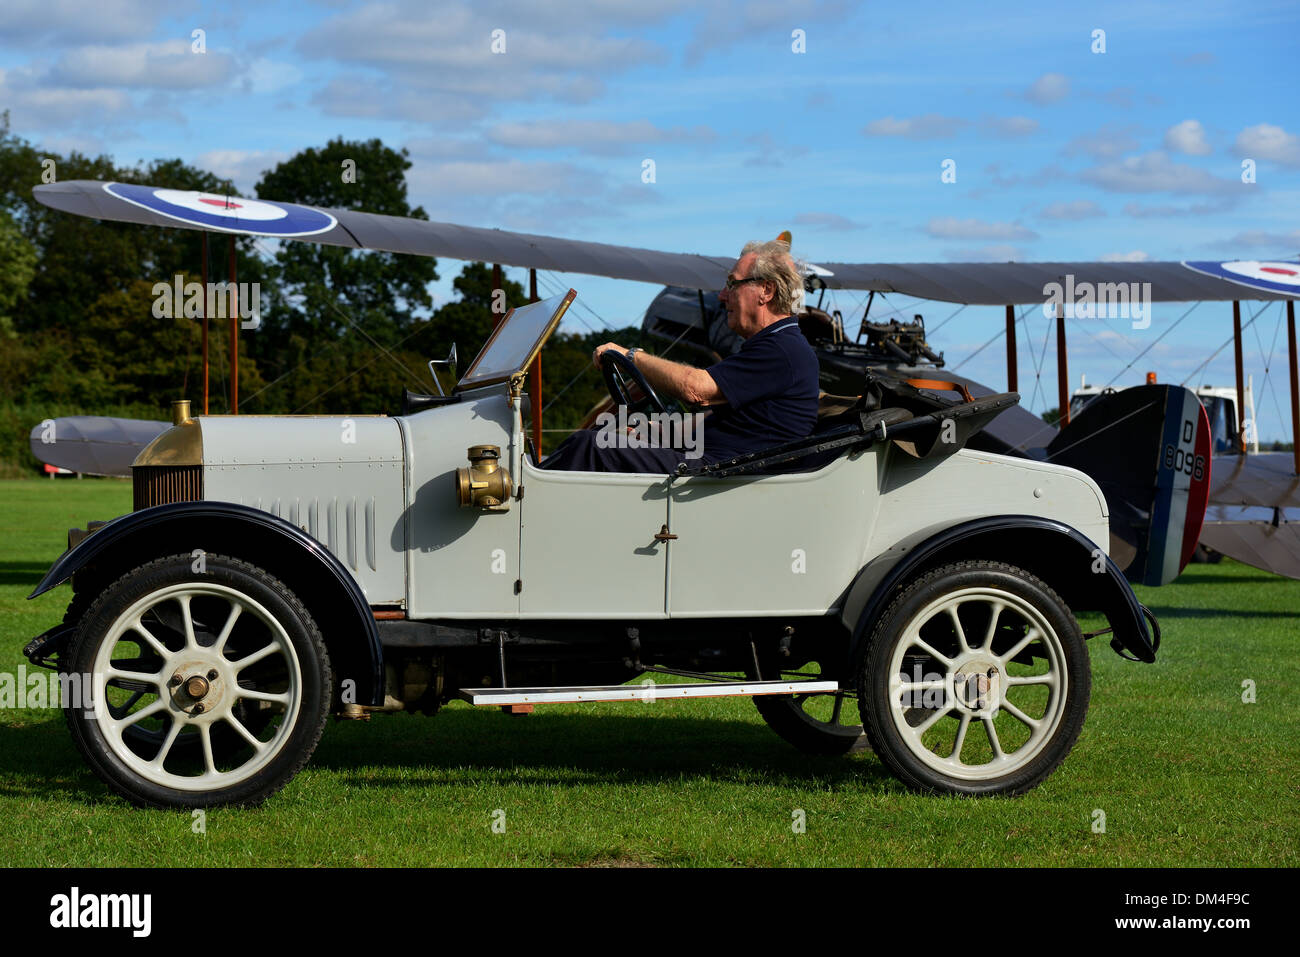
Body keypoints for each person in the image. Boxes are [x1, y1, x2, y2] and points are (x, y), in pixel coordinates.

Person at [541, 239, 820, 472]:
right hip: (717, 469)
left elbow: (695, 389)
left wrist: (631, 356)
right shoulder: (775, 346)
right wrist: (655, 432)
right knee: (600, 440)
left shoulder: (782, 350)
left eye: (732, 284)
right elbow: (720, 421)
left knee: (589, 446)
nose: (723, 295)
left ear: (766, 291)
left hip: (720, 477)